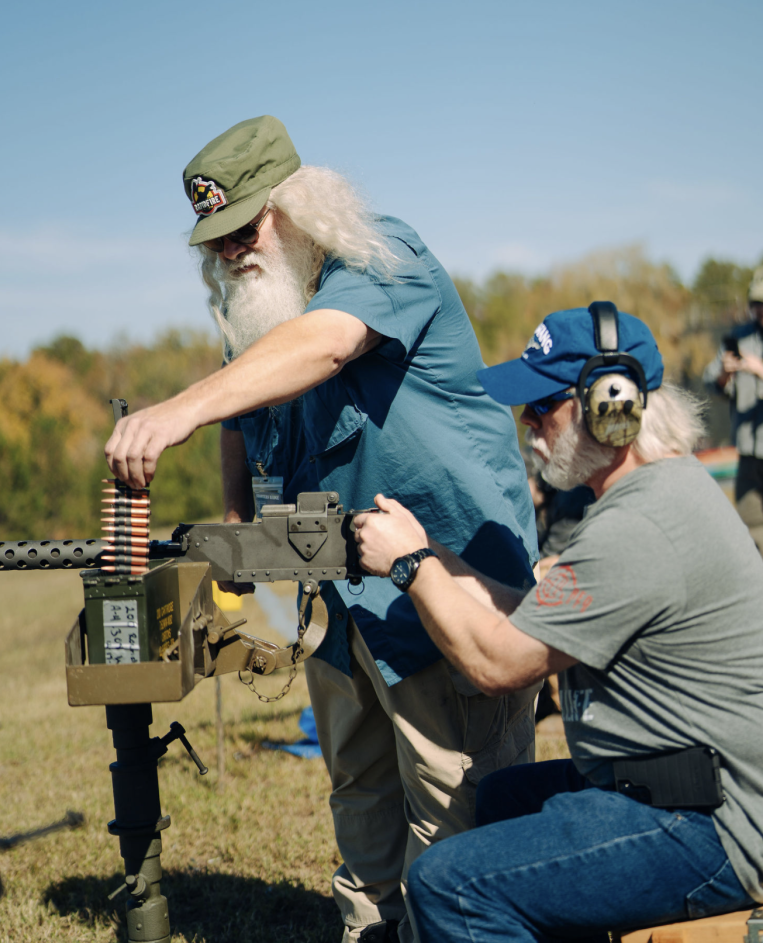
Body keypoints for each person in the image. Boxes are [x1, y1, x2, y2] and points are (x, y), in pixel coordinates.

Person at [105, 115, 540, 943]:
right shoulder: (257, 305)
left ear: (298, 207)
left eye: (245, 228)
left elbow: (326, 346)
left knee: (456, 808)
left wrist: (179, 410)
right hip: (338, 605)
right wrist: (239, 526)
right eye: (214, 238)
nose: (231, 251)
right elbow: (249, 412)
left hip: (442, 584)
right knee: (361, 799)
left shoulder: (382, 258)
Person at [354, 303, 763, 942]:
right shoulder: (654, 496)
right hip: (678, 785)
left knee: (448, 885)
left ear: (613, 404)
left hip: (711, 826)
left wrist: (410, 565)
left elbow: (500, 664)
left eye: (543, 405)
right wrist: (436, 555)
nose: (527, 423)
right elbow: (535, 620)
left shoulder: (637, 528)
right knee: (501, 799)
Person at [703, 267, 763, 551]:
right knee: (752, 528)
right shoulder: (741, 338)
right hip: (750, 453)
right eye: (757, 305)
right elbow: (710, 380)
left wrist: (760, 370)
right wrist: (725, 375)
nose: (760, 311)